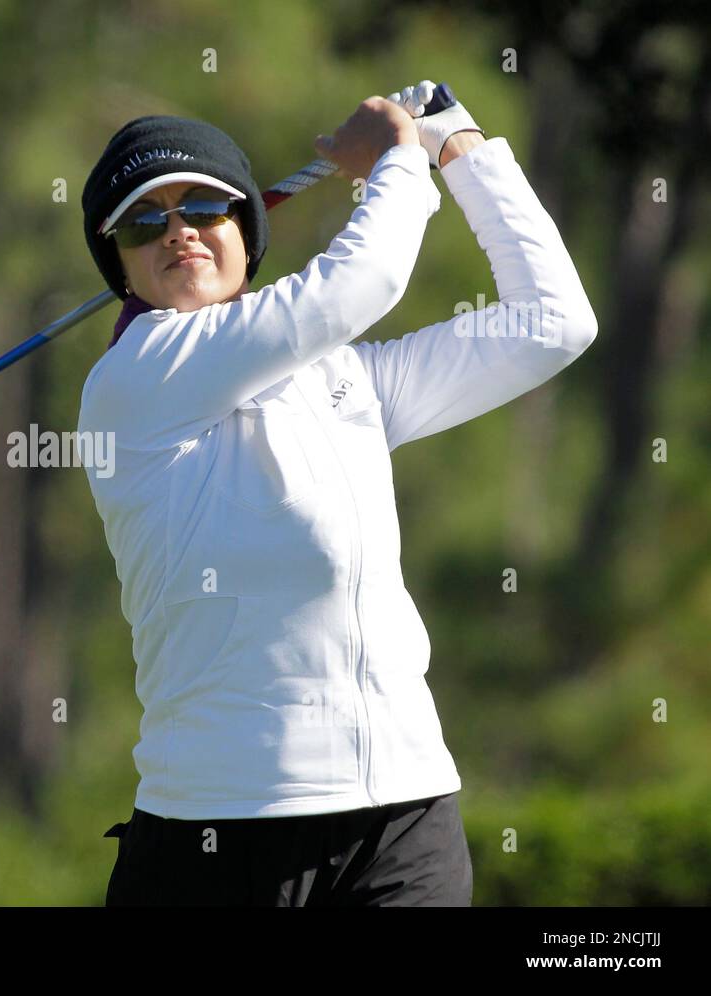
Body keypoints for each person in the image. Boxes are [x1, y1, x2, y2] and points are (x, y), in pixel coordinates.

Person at [76, 81, 598, 906]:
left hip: (405, 816)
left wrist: (455, 143)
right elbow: (358, 285)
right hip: (219, 829)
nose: (178, 233)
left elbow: (553, 323)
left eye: (203, 209)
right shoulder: (135, 379)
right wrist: (394, 161)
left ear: (245, 229)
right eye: (145, 221)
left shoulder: (347, 381)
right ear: (123, 264)